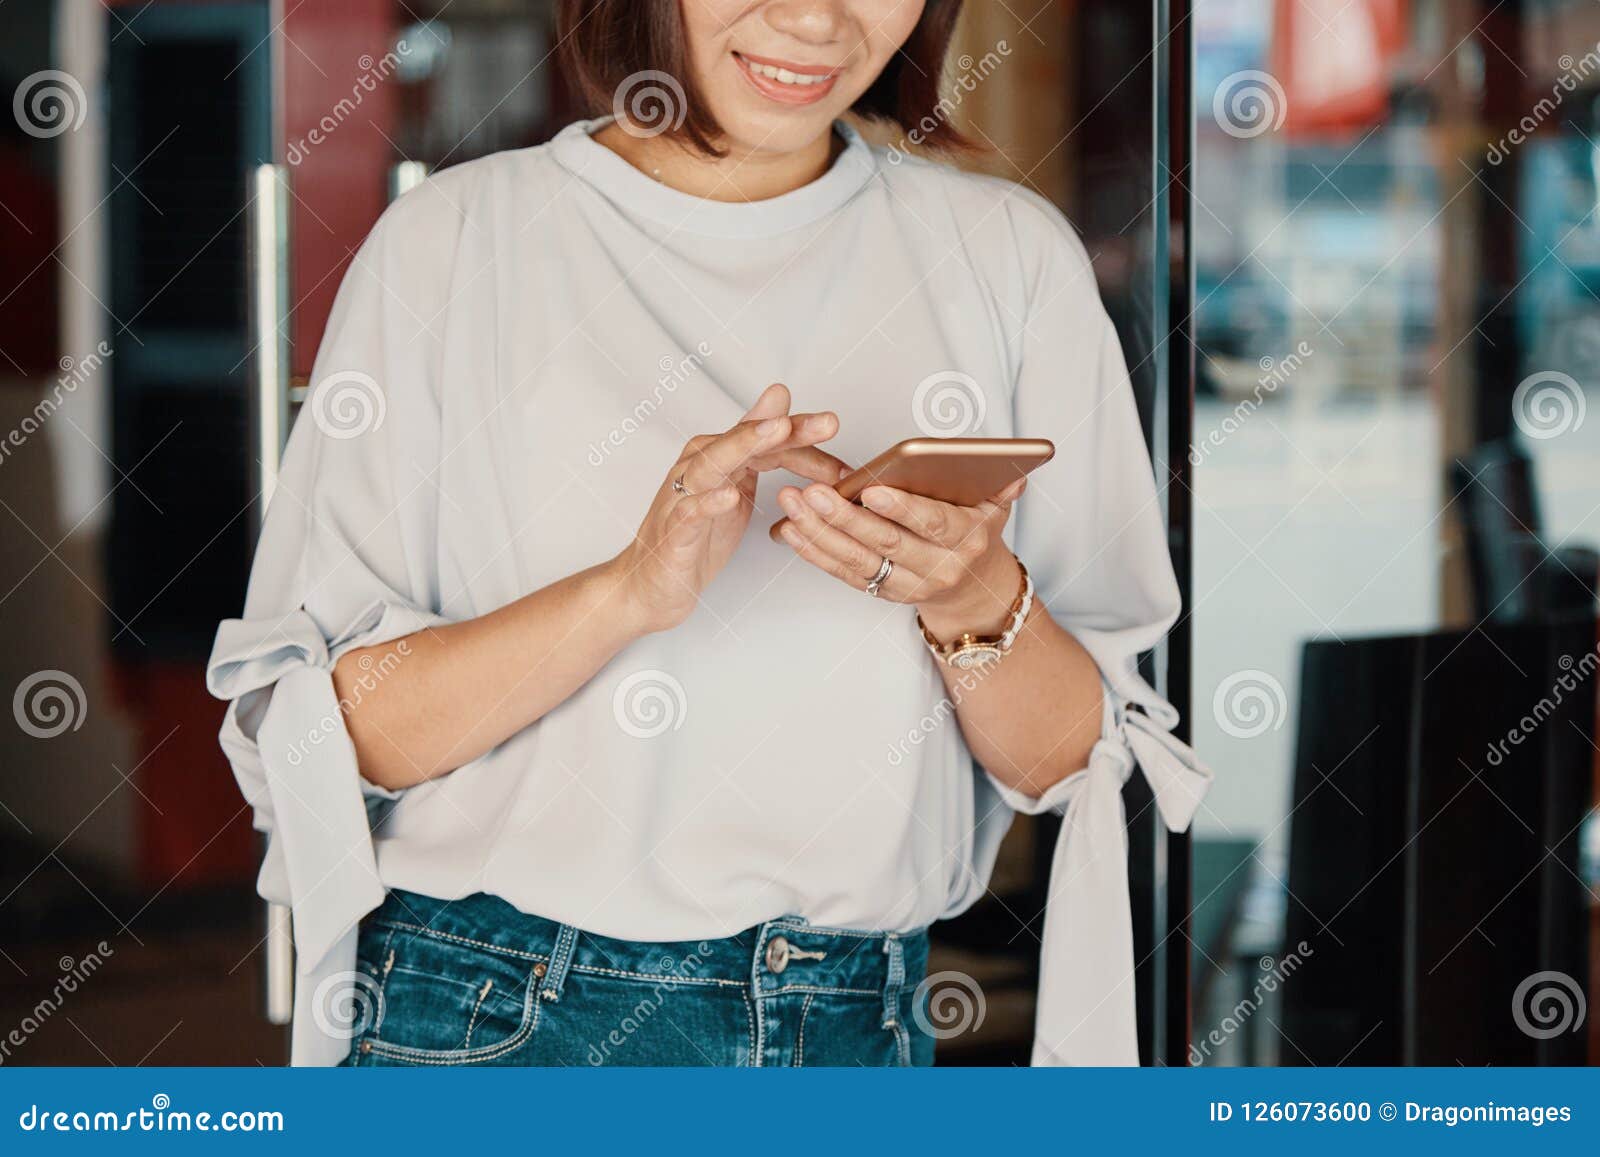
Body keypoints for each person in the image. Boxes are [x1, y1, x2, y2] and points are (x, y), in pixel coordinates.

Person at [208, 0, 1210, 1067]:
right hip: (500, 1024)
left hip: (857, 1026)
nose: (815, 20)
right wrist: (628, 592)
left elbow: (1074, 762)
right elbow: (331, 741)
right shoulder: (455, 245)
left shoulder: (1009, 261)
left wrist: (973, 600)